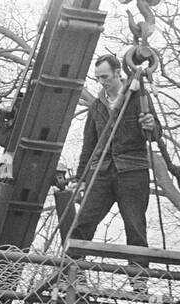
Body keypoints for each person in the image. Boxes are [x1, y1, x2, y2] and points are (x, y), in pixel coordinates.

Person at [70, 54, 160, 271]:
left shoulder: (138, 97)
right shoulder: (96, 107)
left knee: (135, 227)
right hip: (100, 172)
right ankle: (72, 273)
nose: (102, 82)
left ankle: (139, 286)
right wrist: (80, 180)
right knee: (83, 223)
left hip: (132, 171)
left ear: (118, 72)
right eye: (98, 78)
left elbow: (155, 133)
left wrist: (149, 125)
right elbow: (88, 147)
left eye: (105, 77)